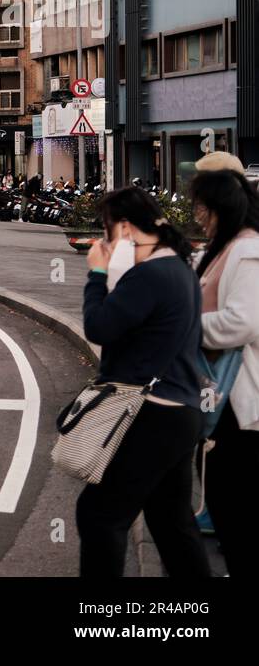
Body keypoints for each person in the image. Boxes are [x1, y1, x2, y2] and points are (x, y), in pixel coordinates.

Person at [77, 187, 212, 577]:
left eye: (105, 231)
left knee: (99, 515)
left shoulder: (151, 275)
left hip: (152, 412)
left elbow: (99, 326)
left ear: (123, 229)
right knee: (171, 521)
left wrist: (97, 273)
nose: (102, 240)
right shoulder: (178, 267)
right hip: (178, 411)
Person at [190, 152, 259, 576]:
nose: (195, 214)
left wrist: (185, 326)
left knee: (240, 517)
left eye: (200, 206)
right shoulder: (218, 251)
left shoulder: (247, 251)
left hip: (242, 405)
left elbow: (243, 322)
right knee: (227, 510)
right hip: (217, 400)